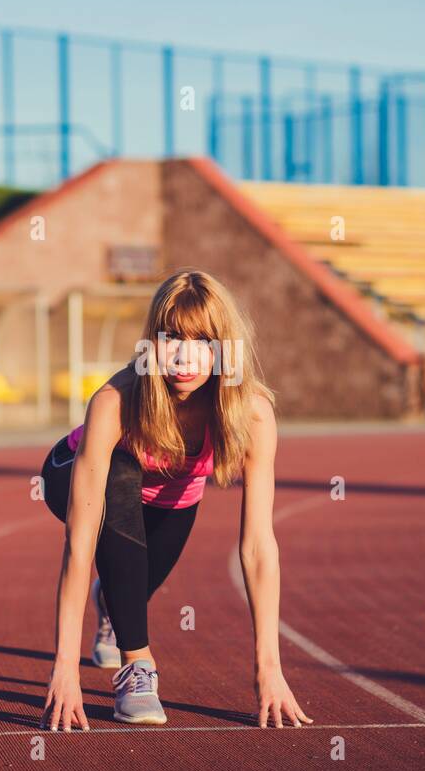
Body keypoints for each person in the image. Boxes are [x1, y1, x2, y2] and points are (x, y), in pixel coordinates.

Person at [38, 268, 313, 731]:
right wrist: (65, 667)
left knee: (133, 588)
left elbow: (258, 547)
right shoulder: (116, 402)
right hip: (73, 475)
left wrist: (269, 669)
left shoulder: (252, 414)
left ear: (225, 348)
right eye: (171, 339)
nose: (184, 357)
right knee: (121, 480)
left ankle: (109, 603)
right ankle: (137, 668)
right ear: (151, 343)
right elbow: (80, 543)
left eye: (202, 341)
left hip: (172, 493)